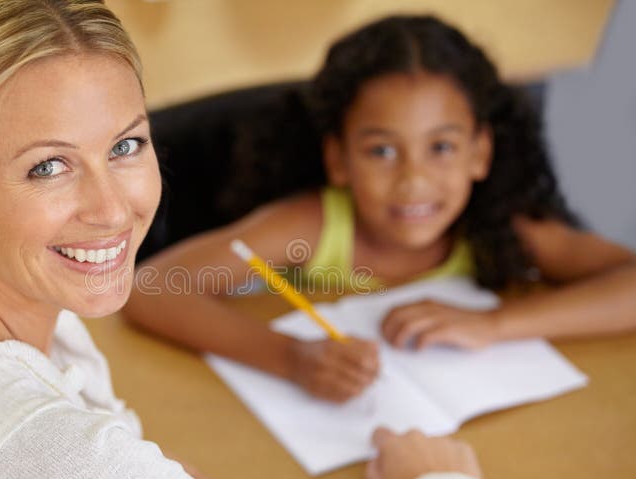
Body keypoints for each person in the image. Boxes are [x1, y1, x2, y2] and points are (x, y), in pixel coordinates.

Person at [0, 1, 489, 479]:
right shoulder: (55, 459)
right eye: (48, 165)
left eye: (125, 144)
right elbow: (44, 468)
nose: (113, 207)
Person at [122, 15, 636, 403]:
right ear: (338, 158)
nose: (413, 181)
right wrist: (290, 358)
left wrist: (496, 324)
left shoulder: (504, 228)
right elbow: (151, 289)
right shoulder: (313, 223)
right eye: (382, 151)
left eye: (441, 148)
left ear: (480, 152)